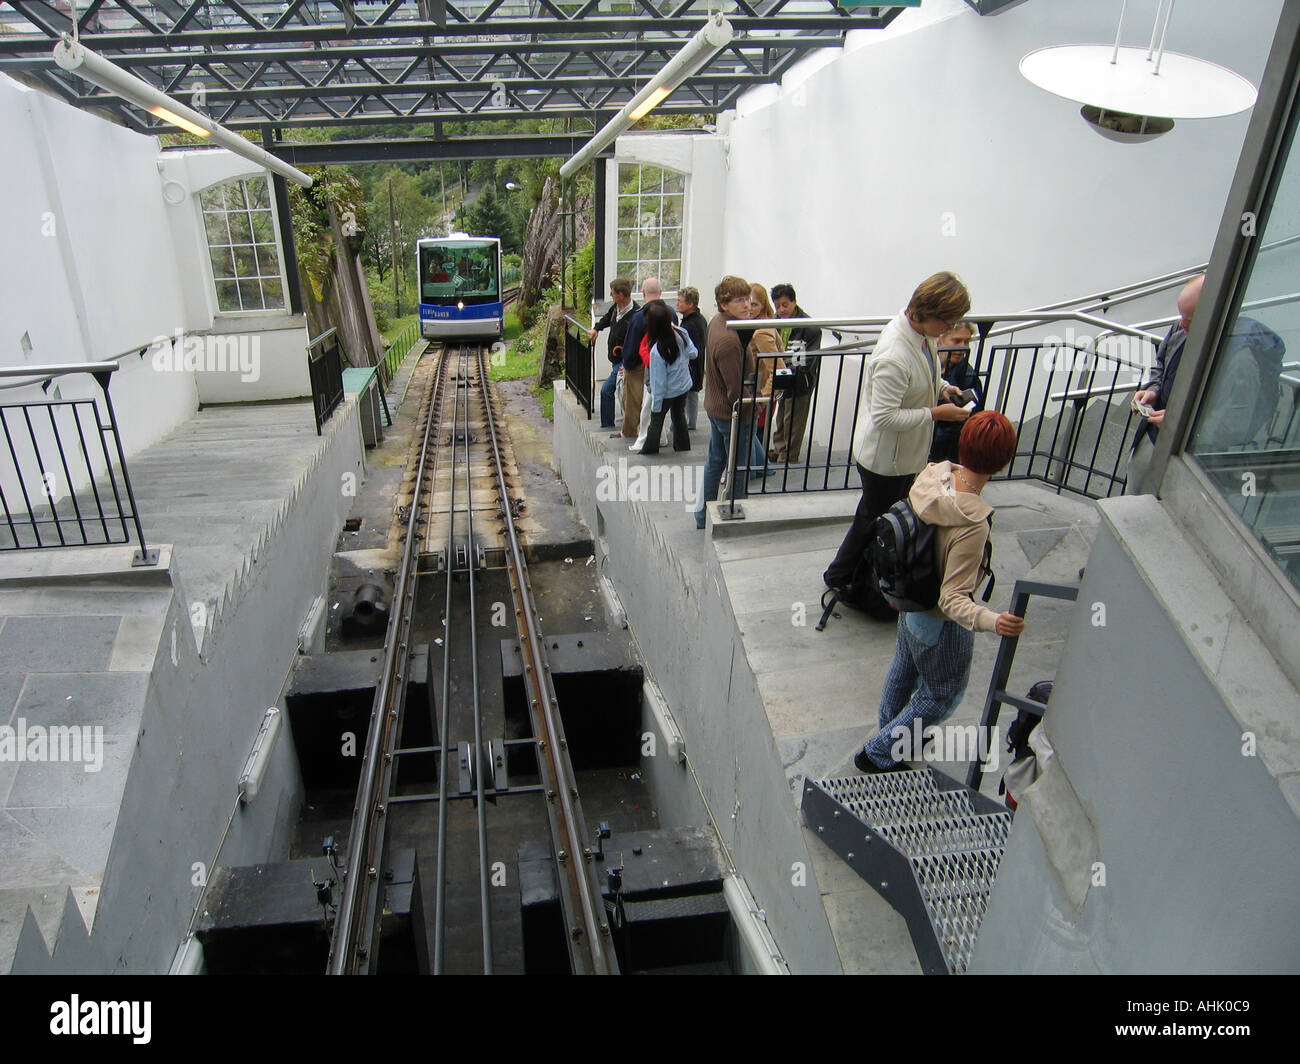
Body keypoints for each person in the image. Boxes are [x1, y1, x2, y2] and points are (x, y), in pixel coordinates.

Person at [855, 411, 1027, 773]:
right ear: (1002, 461)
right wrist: (993, 621)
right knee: (941, 695)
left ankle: (892, 736)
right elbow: (952, 599)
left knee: (903, 671)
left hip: (909, 599)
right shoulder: (971, 523)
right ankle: (880, 751)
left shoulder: (934, 476)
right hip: (938, 619)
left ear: (963, 443)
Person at [823, 272, 972, 617]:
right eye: (947, 322)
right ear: (928, 312)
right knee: (872, 518)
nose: (948, 329)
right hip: (885, 459)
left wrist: (943, 387)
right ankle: (843, 575)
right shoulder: (894, 353)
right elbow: (885, 417)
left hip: (900, 455)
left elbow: (927, 369)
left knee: (874, 516)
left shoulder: (920, 333)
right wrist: (936, 413)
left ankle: (851, 574)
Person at [694, 276, 754, 529]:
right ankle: (732, 513)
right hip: (730, 413)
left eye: (748, 299)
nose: (747, 305)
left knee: (716, 461)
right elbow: (735, 390)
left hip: (716, 407)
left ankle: (702, 516)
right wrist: (754, 404)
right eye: (740, 301)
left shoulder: (718, 322)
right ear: (724, 304)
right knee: (737, 466)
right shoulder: (729, 339)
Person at [769, 283, 823, 465]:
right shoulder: (776, 321)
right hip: (783, 373)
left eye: (785, 305)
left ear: (794, 302)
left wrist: (796, 373)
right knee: (782, 416)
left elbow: (809, 359)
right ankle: (779, 450)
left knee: (794, 420)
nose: (781, 310)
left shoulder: (809, 326)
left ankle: (789, 455)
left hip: (800, 378)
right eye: (777, 306)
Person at [620, 278, 676, 441]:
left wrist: (627, 364)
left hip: (640, 366)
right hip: (666, 364)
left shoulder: (638, 317)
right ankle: (657, 433)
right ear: (661, 292)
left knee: (635, 403)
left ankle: (632, 433)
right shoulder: (671, 313)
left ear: (643, 293)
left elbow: (631, 345)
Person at [639, 302, 697, 455]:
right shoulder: (681, 333)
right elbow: (694, 353)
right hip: (683, 386)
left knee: (656, 422)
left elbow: (659, 384)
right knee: (679, 417)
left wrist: (656, 405)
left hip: (667, 392)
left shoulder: (656, 352)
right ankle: (683, 448)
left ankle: (649, 451)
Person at [742, 283, 785, 477]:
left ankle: (756, 470)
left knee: (751, 435)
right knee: (753, 435)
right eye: (747, 303)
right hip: (759, 391)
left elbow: (777, 367)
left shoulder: (761, 332)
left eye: (755, 304)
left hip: (761, 394)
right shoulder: (761, 326)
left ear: (763, 305)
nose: (749, 308)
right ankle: (761, 469)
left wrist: (765, 397)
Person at [928, 321, 983, 463]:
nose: (962, 347)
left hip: (951, 446)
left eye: (966, 341)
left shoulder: (968, 374)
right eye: (957, 341)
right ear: (940, 339)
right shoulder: (927, 364)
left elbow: (975, 411)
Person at [590, 278, 637, 430]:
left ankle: (609, 425)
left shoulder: (635, 314)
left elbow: (636, 342)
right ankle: (620, 421)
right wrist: (596, 329)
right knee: (620, 392)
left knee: (606, 390)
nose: (611, 295)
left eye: (613, 293)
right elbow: (606, 319)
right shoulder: (616, 307)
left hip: (624, 362)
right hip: (616, 360)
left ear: (622, 294)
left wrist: (626, 362)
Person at [677, 287, 708, 430]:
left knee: (689, 395)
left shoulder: (690, 324)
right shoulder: (699, 319)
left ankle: (688, 423)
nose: (677, 304)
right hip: (696, 365)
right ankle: (690, 422)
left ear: (690, 304)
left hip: (691, 366)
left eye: (680, 301)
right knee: (692, 395)